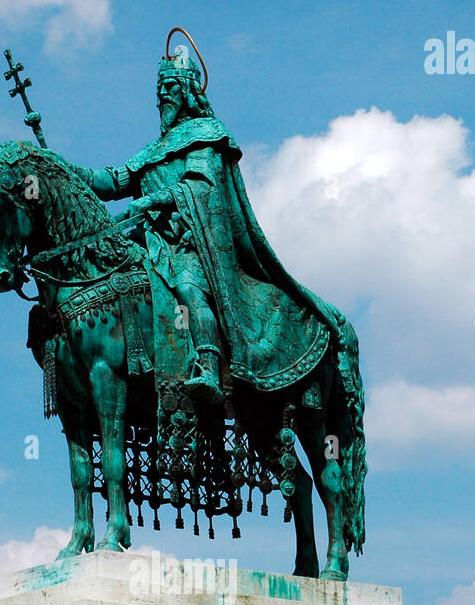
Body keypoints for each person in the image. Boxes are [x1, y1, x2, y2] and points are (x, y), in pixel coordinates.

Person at [74, 44, 361, 417]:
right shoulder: (152, 150)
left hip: (191, 246)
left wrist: (153, 201)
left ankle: (208, 366)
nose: (162, 96)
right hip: (151, 244)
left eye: (171, 88)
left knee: (190, 291)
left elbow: (200, 187)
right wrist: (67, 171)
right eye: (159, 89)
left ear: (189, 92)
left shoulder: (207, 134)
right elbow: (110, 181)